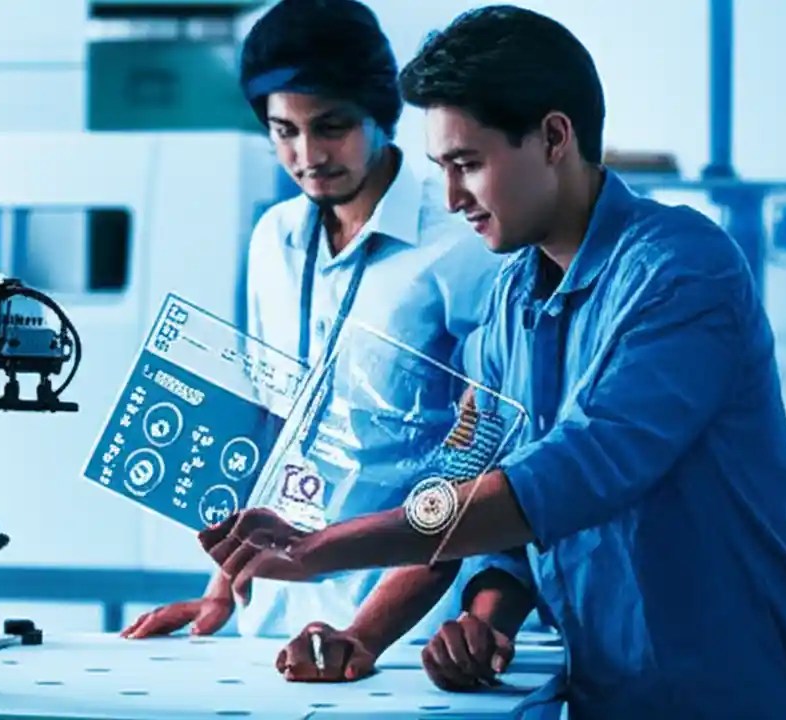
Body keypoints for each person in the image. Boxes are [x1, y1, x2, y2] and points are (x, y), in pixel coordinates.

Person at [197, 5, 786, 718]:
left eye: (468, 165)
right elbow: (468, 479)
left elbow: (570, 474)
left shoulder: (681, 271)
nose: (453, 199)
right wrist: (455, 621)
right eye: (442, 168)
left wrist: (321, 548)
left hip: (724, 691)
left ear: (552, 137)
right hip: (601, 690)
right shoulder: (515, 297)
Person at [120, 0, 502, 679]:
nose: (308, 155)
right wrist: (221, 594)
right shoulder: (272, 239)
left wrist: (365, 636)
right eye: (284, 131)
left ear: (380, 114)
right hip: (268, 628)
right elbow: (274, 430)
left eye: (331, 127)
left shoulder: (463, 251)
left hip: (401, 638)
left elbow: (473, 476)